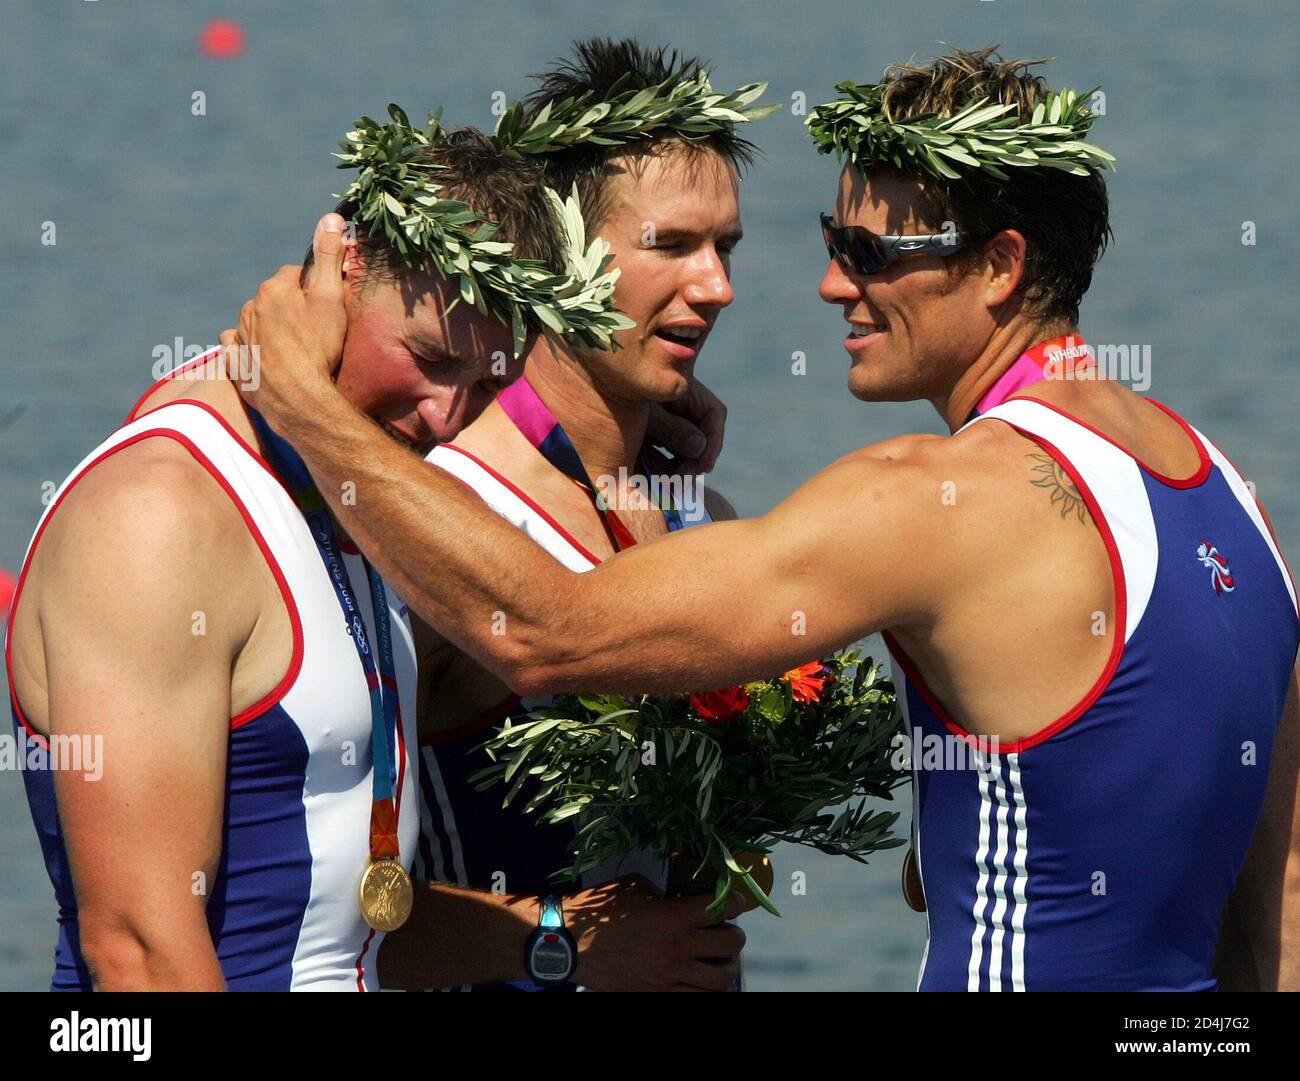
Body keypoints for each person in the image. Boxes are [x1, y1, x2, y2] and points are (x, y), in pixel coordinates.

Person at [230, 47, 1300, 992]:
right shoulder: (1233, 499)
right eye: (832, 241)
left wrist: (309, 410)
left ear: (1002, 266)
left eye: (870, 252)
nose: (828, 284)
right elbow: (1276, 912)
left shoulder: (935, 496)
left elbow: (547, 630)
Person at [3, 125, 714, 991]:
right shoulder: (160, 513)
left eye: (490, 382)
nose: (447, 415)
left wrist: (552, 938)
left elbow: (354, 922)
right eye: (426, 358)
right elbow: (137, 948)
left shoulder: (351, 482)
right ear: (341, 263)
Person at [376, 40, 754, 993]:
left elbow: (720, 877)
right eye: (672, 245)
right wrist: (558, 941)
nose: (717, 288)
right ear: (556, 260)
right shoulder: (451, 523)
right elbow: (342, 902)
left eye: (725, 249)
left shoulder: (705, 515)